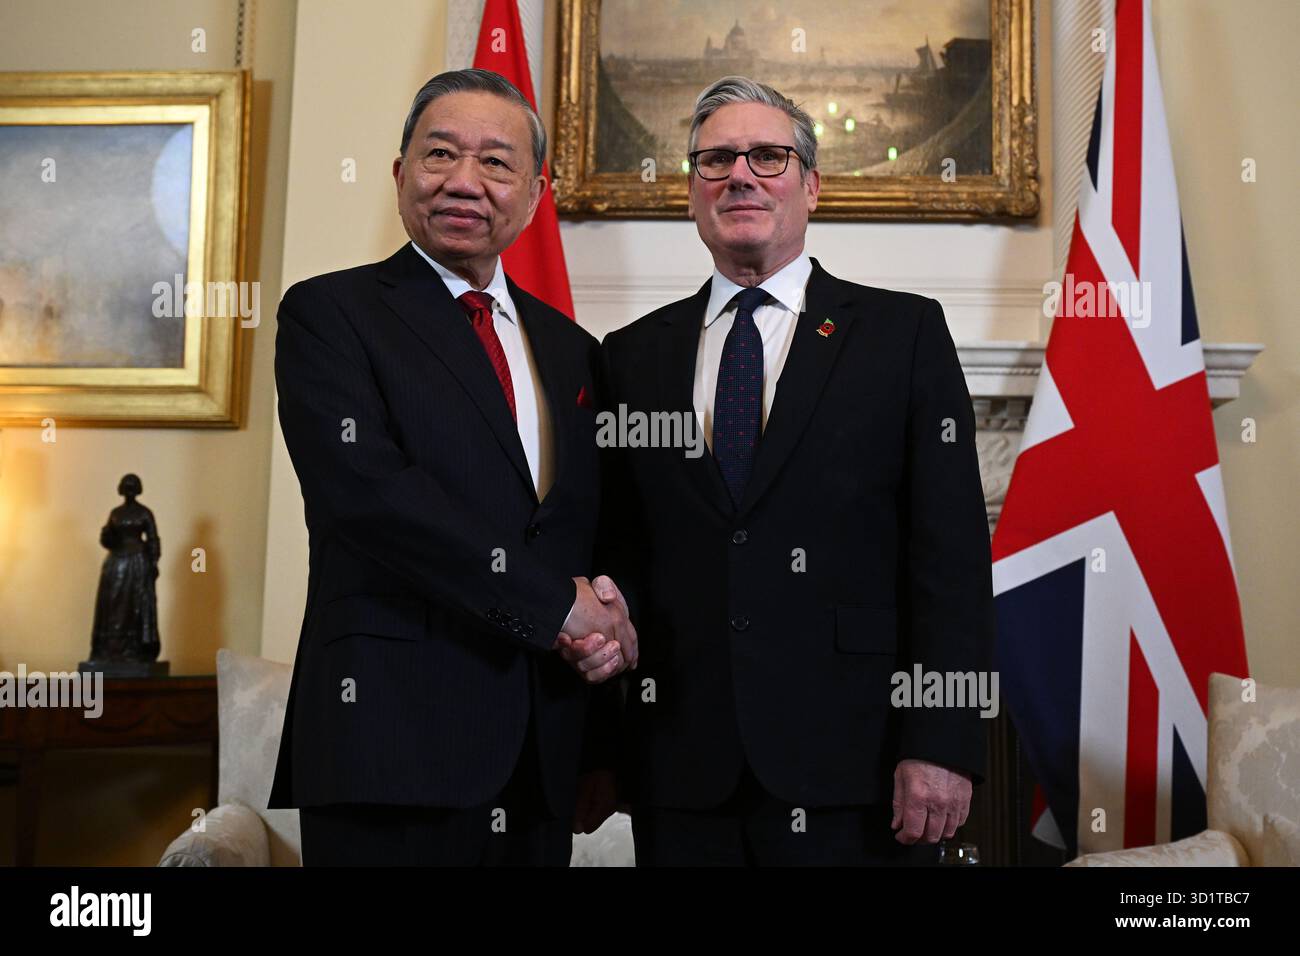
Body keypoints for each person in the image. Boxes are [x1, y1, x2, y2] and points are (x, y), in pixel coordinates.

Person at [595, 76, 995, 866]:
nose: (739, 175)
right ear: (690, 191)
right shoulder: (630, 356)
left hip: (859, 767)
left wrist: (943, 741)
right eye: (715, 160)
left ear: (811, 185)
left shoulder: (903, 333)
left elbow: (949, 559)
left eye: (768, 156)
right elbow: (617, 558)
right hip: (681, 768)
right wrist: (598, 751)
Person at [267, 68, 634, 866]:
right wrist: (556, 608)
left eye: (497, 163)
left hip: (539, 756)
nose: (465, 181)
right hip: (390, 748)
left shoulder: (571, 349)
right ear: (401, 175)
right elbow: (371, 499)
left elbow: (586, 535)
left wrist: (598, 735)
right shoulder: (329, 316)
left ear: (535, 194)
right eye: (440, 155)